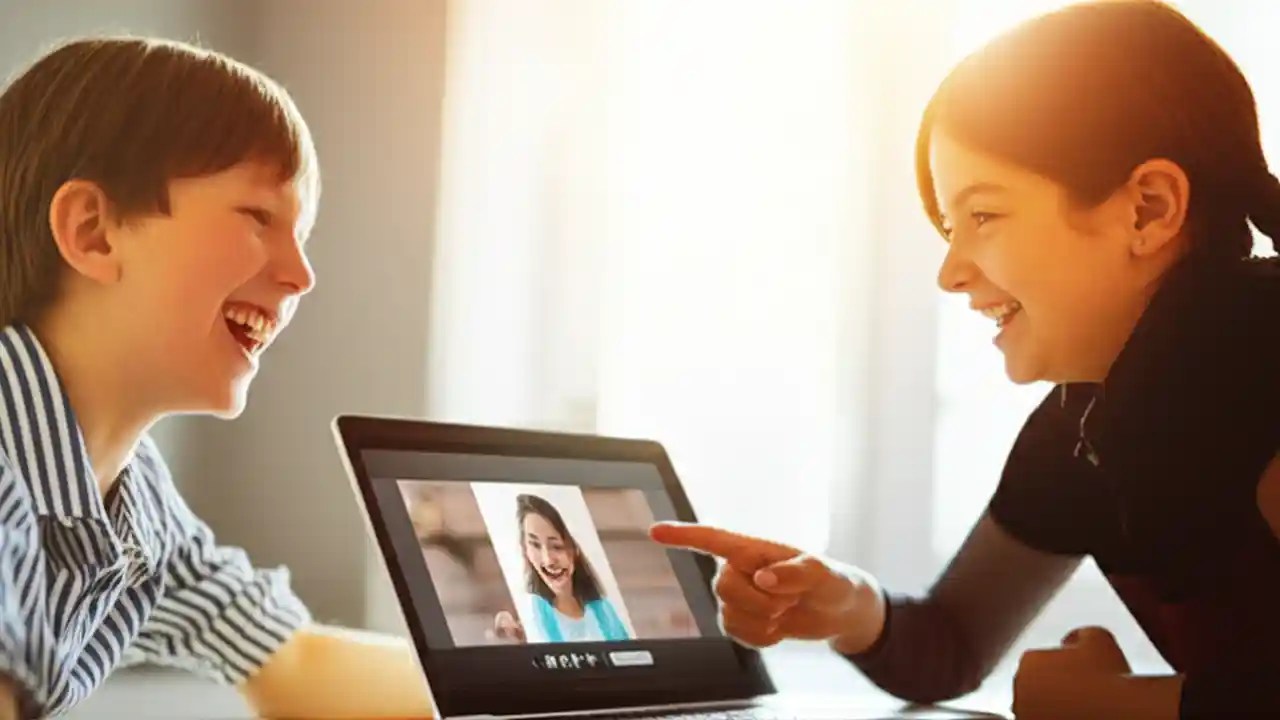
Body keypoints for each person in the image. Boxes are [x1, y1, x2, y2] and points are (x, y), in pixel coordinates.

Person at [651, 2, 1280, 719]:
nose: (950, 273)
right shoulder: (1089, 424)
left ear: (1149, 208)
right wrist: (846, 604)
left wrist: (1122, 705)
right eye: (951, 227)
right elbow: (952, 644)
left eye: (984, 216)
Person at [0, 37, 434, 720]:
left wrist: (563, 678)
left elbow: (290, 661)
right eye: (260, 217)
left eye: (302, 235)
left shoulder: (133, 500)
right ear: (93, 232)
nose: (302, 276)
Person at [493, 494, 630, 643]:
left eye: (557, 546)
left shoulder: (602, 609)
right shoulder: (531, 612)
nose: (548, 560)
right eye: (535, 545)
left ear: (575, 549)